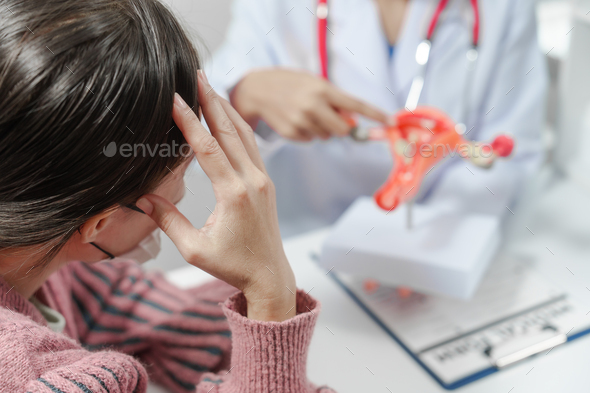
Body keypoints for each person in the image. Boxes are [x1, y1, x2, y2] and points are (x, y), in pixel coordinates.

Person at [0, 1, 335, 392]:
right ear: (100, 224)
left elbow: (147, 313)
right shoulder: (36, 375)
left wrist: (257, 288)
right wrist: (268, 292)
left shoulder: (53, 266)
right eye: (178, 181)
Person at [210, 0, 549, 237]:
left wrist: (427, 237)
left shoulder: (505, 6)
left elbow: (510, 149)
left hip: (442, 240)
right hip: (306, 244)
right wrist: (243, 93)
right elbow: (192, 127)